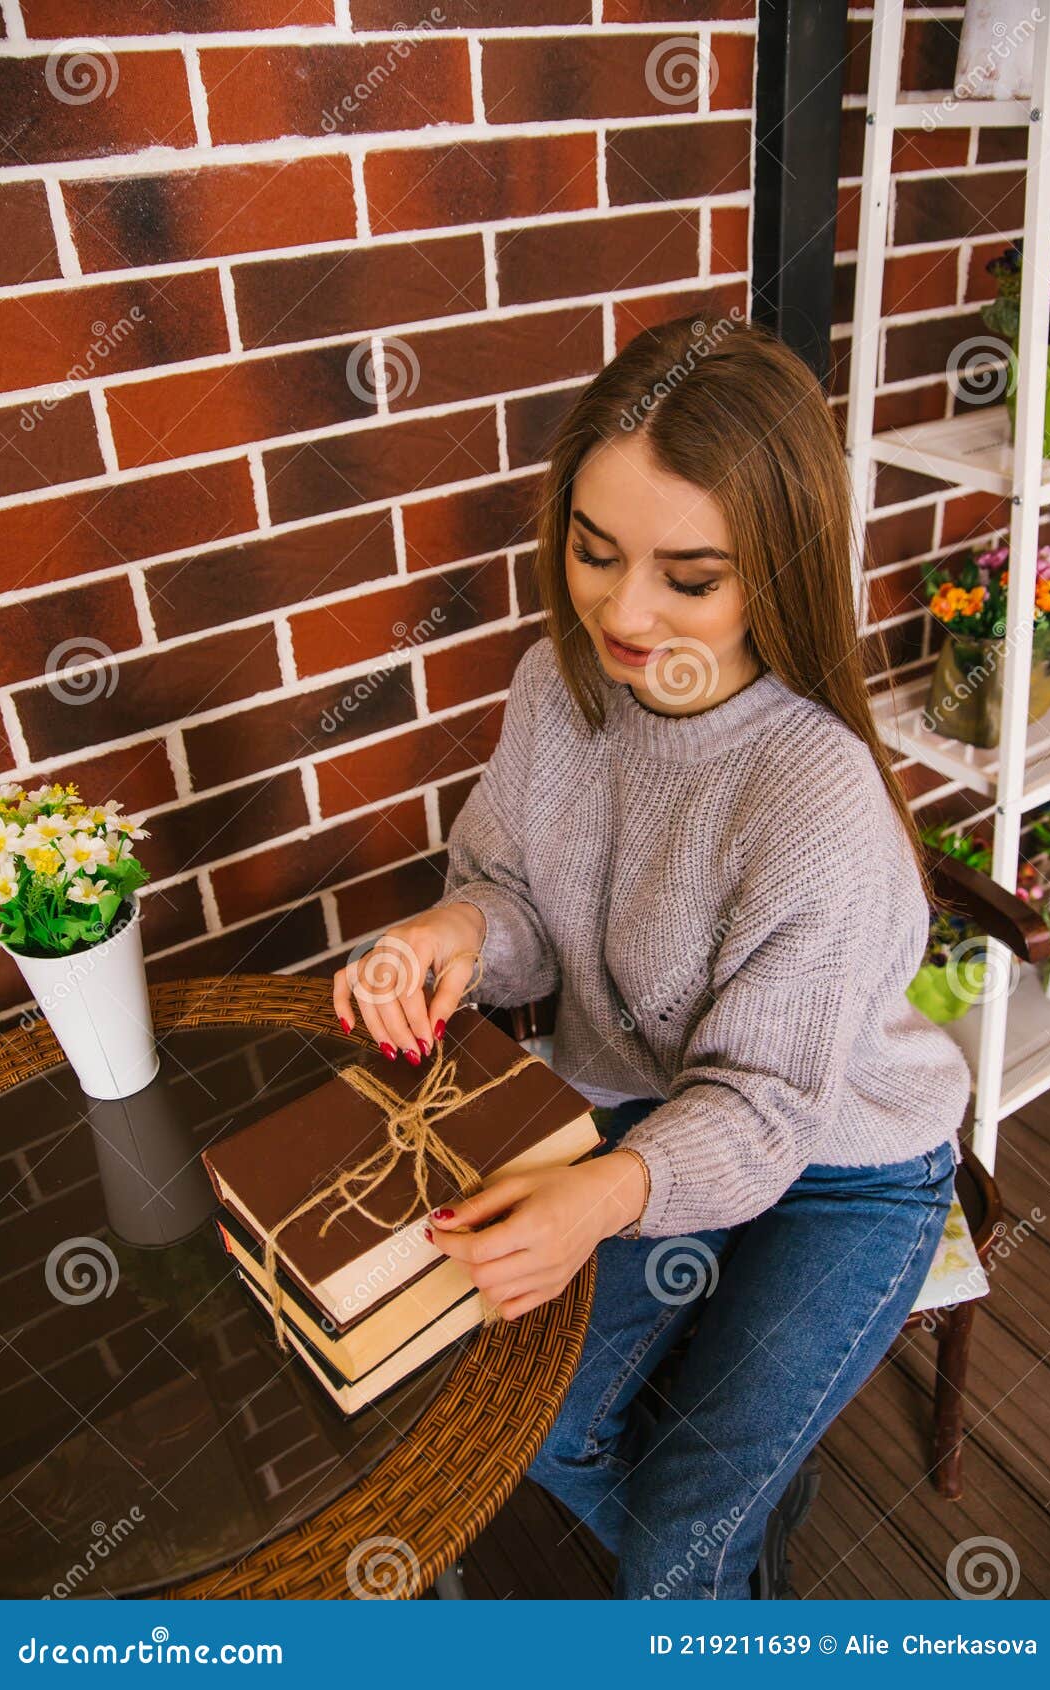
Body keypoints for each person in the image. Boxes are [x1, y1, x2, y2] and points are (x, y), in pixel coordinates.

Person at [332, 313, 969, 1601]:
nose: (624, 612)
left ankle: (705, 1568)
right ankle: (728, 1559)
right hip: (646, 1113)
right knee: (542, 1427)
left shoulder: (815, 796)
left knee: (681, 1536)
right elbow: (519, 901)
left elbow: (764, 1109)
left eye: (690, 577)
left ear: (777, 569)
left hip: (843, 1158)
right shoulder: (555, 687)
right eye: (594, 551)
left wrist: (602, 1198)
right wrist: (456, 933)